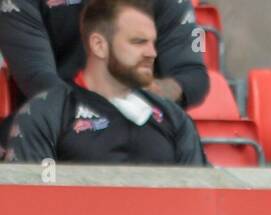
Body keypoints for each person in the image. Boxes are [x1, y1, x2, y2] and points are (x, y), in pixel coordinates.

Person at [3, 0, 204, 165]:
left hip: (148, 122)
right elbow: (38, 79)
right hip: (57, 122)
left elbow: (192, 78)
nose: (151, 53)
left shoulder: (174, 123)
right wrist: (104, 113)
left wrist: (151, 99)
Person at [0, 0, 208, 115]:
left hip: (144, 123)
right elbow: (38, 79)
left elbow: (192, 77)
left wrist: (148, 96)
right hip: (56, 127)